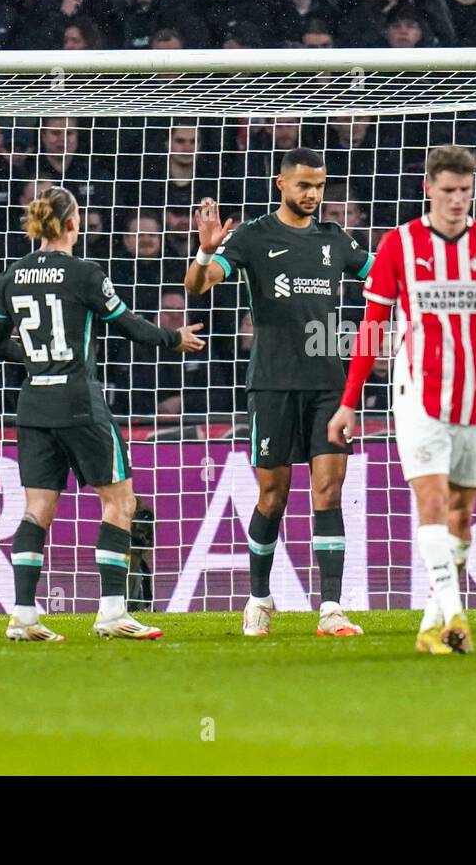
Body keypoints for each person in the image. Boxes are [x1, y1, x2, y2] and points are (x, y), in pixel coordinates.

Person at [327, 146, 476, 655]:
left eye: (464, 191)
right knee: (431, 502)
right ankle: (455, 618)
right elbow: (373, 326)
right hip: (417, 394)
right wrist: (349, 400)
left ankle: (431, 626)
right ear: (429, 188)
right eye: (447, 191)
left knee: (462, 516)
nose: (456, 200)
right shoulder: (399, 245)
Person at [0, 187, 205, 641]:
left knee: (37, 510)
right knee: (120, 502)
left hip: (33, 402)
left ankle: (23, 615)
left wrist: (32, 358)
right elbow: (127, 325)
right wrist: (173, 338)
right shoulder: (85, 273)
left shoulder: (10, 277)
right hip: (79, 400)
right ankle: (111, 612)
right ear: (70, 224)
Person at [185, 148, 372, 639]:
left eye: (319, 185)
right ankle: (259, 598)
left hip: (331, 385)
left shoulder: (336, 240)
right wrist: (206, 252)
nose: (312, 194)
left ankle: (331, 607)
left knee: (327, 491)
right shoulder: (253, 236)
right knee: (274, 495)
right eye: (303, 185)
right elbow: (198, 286)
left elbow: (390, 274)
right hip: (271, 384)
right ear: (281, 184)